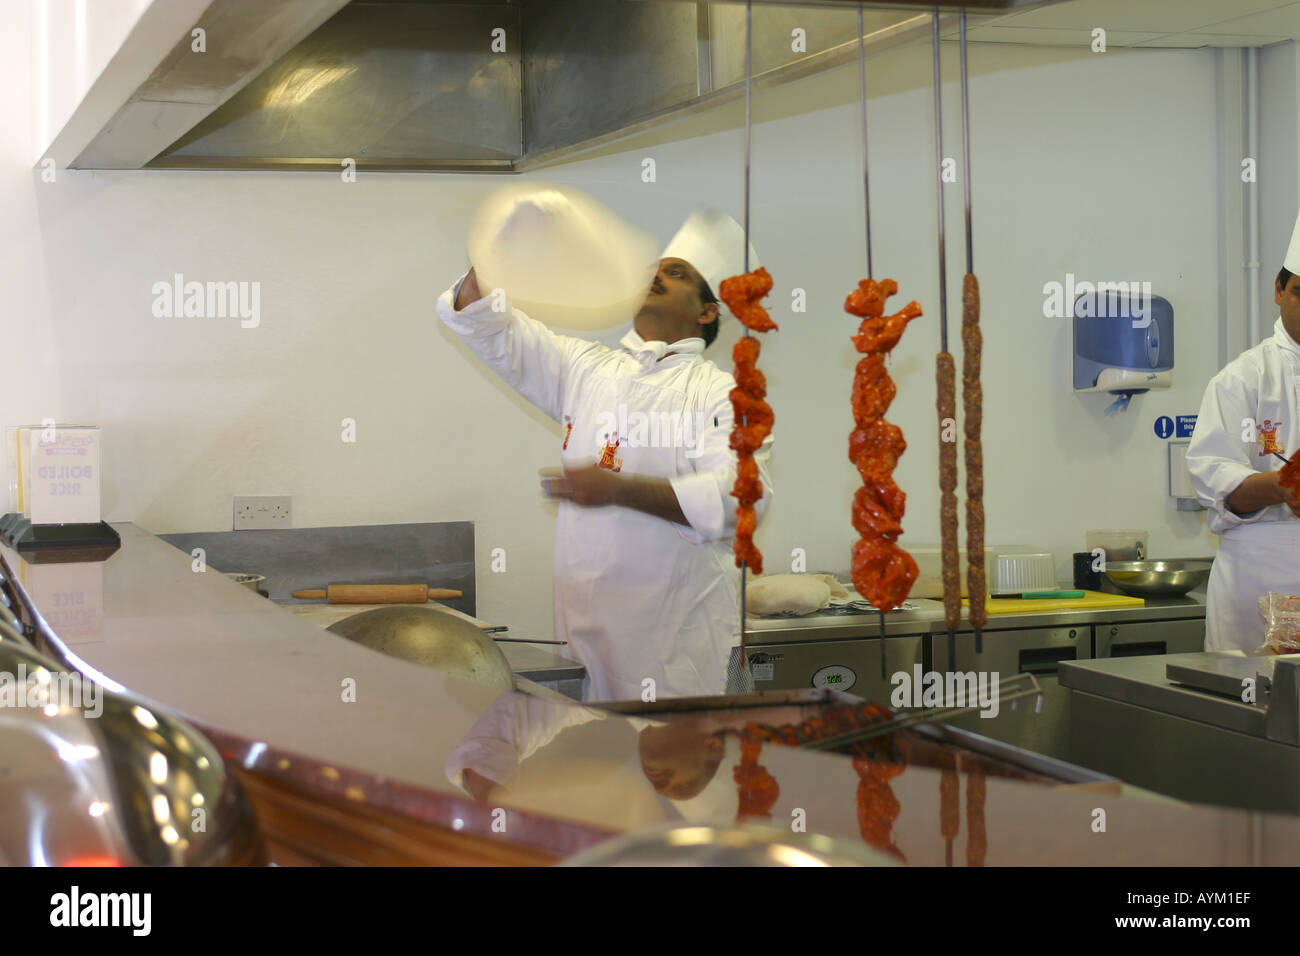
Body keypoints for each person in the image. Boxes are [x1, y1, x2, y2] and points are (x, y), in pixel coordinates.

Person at [436, 208, 774, 699]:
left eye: (676, 272)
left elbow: (741, 501)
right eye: (653, 269)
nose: (656, 275)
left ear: (707, 311)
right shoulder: (587, 369)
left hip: (676, 646)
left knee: (674, 772)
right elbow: (483, 322)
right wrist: (500, 251)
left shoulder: (723, 393)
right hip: (583, 637)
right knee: (598, 768)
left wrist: (618, 489)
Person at [1186, 211, 1300, 651]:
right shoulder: (1242, 379)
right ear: (1277, 289)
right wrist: (1281, 486)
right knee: (1249, 709)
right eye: (1299, 293)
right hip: (1255, 581)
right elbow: (1215, 482)